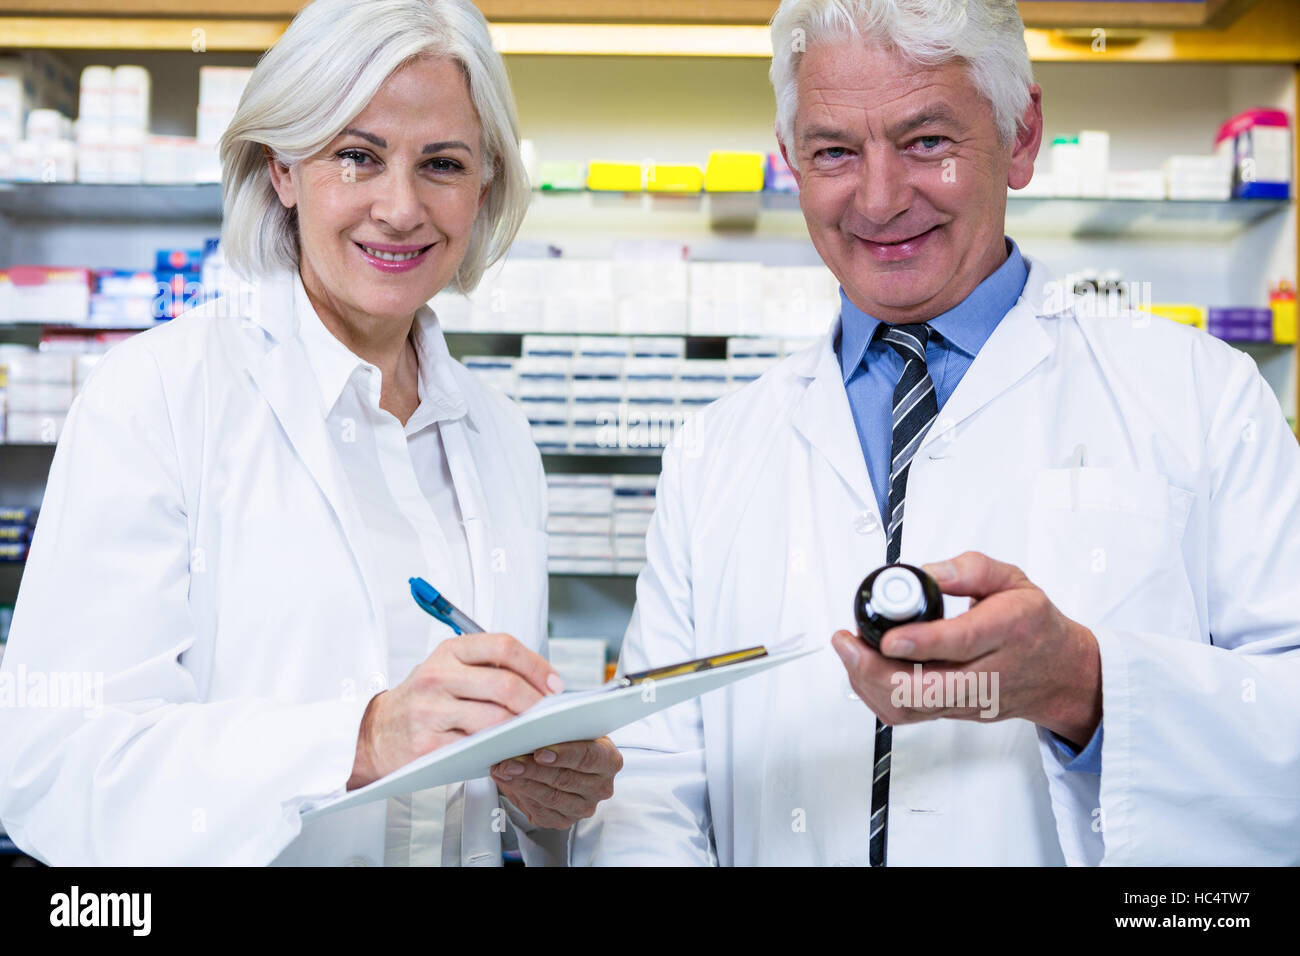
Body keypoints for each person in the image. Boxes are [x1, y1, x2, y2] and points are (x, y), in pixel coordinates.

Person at [571, 0, 1300, 865]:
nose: (878, 201)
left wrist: (1088, 687)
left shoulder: (1203, 396)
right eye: (834, 151)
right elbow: (652, 779)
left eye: (927, 142)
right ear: (790, 160)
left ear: (1020, 135)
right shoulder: (714, 449)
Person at [0, 0, 620, 866]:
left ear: (484, 189)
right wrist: (360, 741)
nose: (400, 209)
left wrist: (547, 797)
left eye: (441, 164)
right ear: (283, 168)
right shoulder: (157, 399)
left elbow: (489, 794)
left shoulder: (500, 437)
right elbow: (55, 771)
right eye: (357, 156)